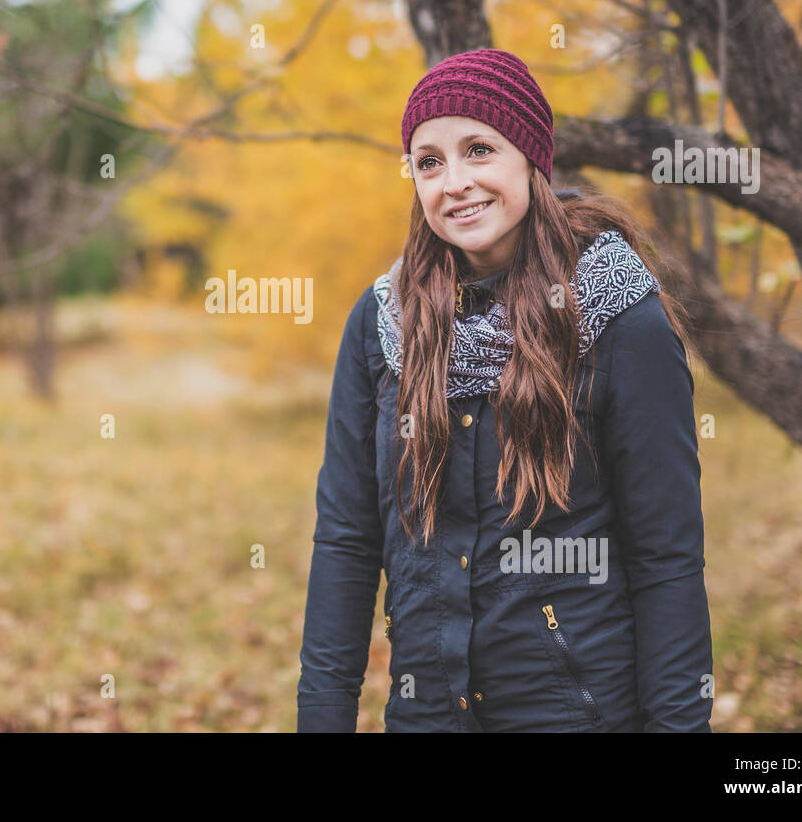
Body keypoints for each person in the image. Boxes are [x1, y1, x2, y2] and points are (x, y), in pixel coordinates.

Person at [296, 48, 713, 732]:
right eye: (428, 161)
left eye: (479, 149)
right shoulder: (381, 324)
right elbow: (346, 538)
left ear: (531, 158)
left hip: (577, 714)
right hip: (426, 714)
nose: (453, 182)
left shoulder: (619, 318)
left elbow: (665, 556)